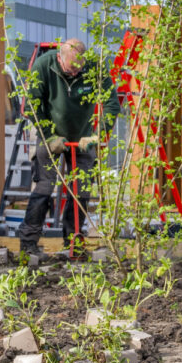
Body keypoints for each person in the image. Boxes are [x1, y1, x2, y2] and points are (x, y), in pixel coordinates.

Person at [17, 39, 119, 254]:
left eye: (79, 69)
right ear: (59, 58)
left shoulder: (94, 67)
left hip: (83, 134)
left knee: (80, 189)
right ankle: (28, 244)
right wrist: (49, 136)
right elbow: (32, 105)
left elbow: (112, 104)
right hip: (49, 131)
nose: (75, 73)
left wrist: (96, 135)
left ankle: (73, 242)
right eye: (71, 69)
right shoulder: (44, 66)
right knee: (44, 187)